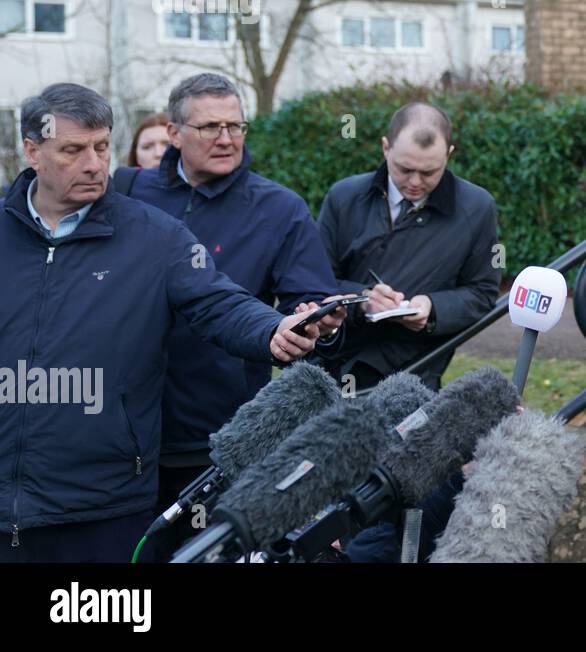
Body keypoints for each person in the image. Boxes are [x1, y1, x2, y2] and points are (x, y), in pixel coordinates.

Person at [0, 83, 341, 562]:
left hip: (105, 504)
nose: (95, 164)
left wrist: (272, 330)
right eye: (73, 151)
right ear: (32, 151)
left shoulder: (155, 236)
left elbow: (220, 302)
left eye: (101, 147)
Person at [120, 73, 341, 558]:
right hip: (125, 436)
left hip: (220, 437)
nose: (226, 138)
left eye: (236, 126)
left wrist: (310, 319)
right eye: (210, 127)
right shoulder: (127, 196)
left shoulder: (279, 209)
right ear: (173, 133)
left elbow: (309, 298)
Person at [317, 102, 500, 391]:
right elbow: (314, 281)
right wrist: (362, 300)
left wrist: (433, 308)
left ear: (449, 155)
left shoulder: (478, 208)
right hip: (332, 361)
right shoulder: (344, 196)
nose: (415, 182)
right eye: (404, 169)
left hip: (414, 371)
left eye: (430, 172)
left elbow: (483, 292)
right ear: (385, 148)